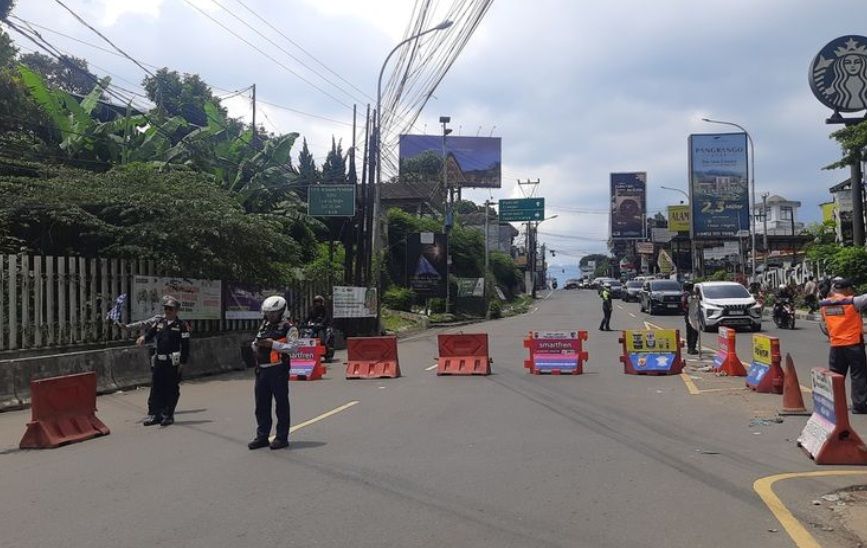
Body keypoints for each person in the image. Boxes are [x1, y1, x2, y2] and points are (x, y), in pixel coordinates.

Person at [248, 295, 302, 450]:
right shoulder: (264, 325)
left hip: (278, 369)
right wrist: (256, 345)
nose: (270, 315)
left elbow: (294, 347)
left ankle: (281, 437)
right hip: (262, 370)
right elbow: (255, 341)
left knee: (281, 405)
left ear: (282, 312)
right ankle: (262, 436)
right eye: (268, 313)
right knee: (261, 405)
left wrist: (273, 344)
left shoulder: (289, 328)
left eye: (274, 313)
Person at [134, 295, 190, 427]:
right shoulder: (160, 323)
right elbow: (150, 334)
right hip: (159, 361)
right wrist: (143, 338)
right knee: (156, 388)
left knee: (171, 388)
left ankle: (168, 415)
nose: (167, 311)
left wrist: (182, 363)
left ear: (176, 311)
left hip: (172, 362)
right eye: (166, 308)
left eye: (170, 309)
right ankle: (155, 414)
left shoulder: (182, 326)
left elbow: (186, 346)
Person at [819, 277, 867, 414]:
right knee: (858, 375)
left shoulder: (824, 304)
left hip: (835, 345)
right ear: (847, 289)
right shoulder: (853, 301)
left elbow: (825, 324)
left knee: (836, 376)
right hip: (853, 344)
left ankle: (834, 404)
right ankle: (859, 405)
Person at [682, 281, 698, 354]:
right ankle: (692, 348)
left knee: (689, 331)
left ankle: (689, 348)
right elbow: (691, 304)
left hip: (686, 314)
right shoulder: (690, 295)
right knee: (694, 331)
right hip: (691, 315)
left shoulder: (684, 294)